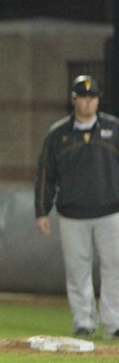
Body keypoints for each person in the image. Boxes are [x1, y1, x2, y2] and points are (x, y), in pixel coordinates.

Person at [35, 74, 119, 340]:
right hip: (71, 214)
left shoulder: (113, 129)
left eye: (92, 97)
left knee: (114, 267)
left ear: (97, 100)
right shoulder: (58, 134)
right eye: (82, 98)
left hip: (110, 211)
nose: (87, 103)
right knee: (77, 269)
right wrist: (41, 211)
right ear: (73, 100)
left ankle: (114, 323)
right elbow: (46, 175)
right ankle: (83, 321)